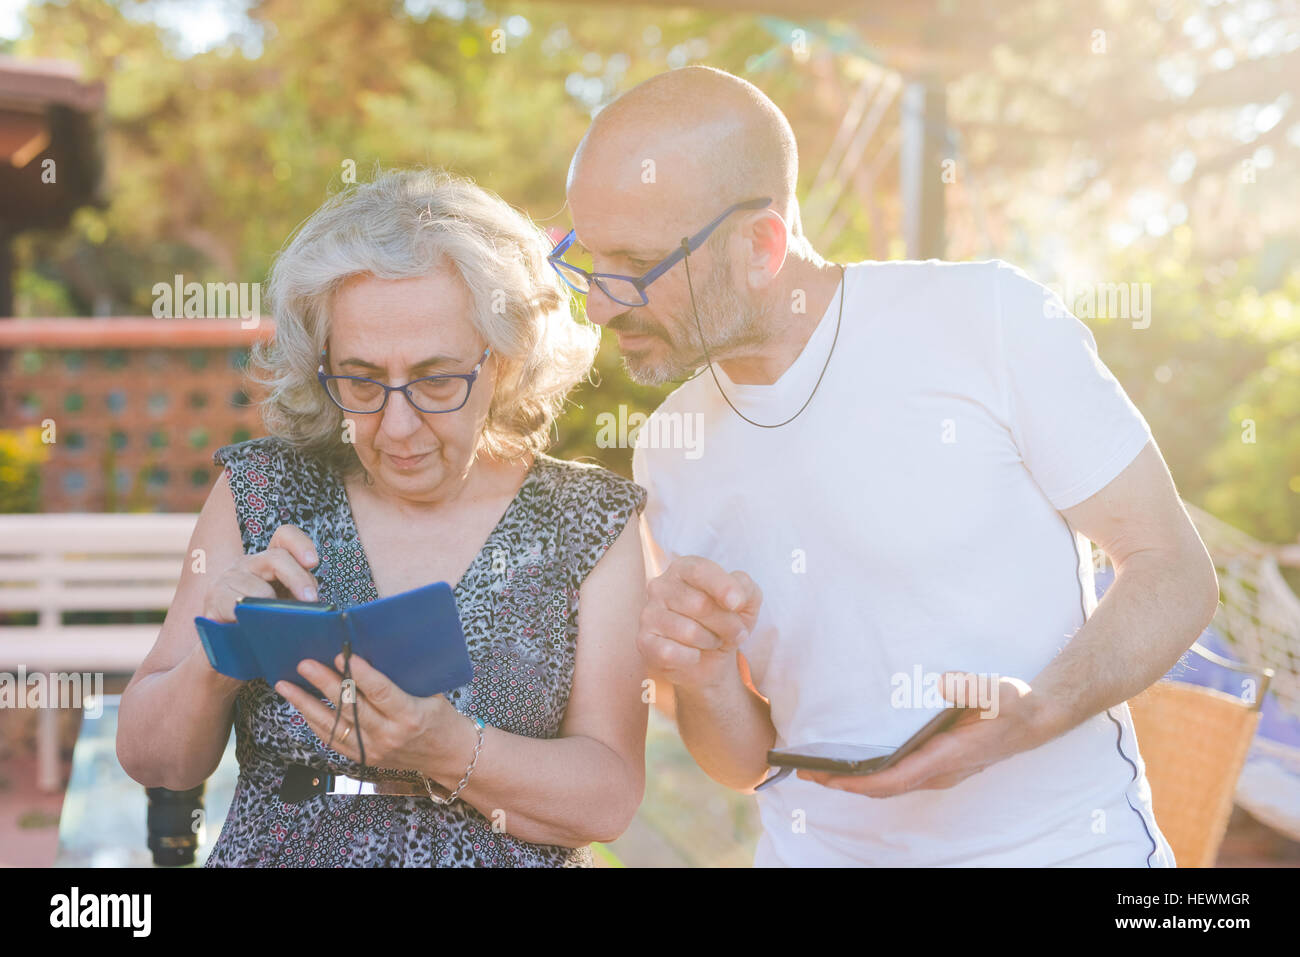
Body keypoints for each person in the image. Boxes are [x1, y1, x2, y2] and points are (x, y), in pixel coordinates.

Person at [554, 66, 1221, 866]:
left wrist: (1039, 711)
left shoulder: (989, 320)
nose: (597, 304)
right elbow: (744, 761)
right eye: (587, 260)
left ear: (760, 244)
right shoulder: (669, 443)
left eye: (633, 265)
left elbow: (1174, 571)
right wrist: (701, 676)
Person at [117, 167, 649, 867]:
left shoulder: (588, 520)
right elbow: (156, 762)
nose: (397, 426)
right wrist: (217, 653)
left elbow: (608, 799)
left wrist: (445, 746)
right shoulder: (263, 489)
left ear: (505, 358)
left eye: (435, 379)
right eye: (362, 379)